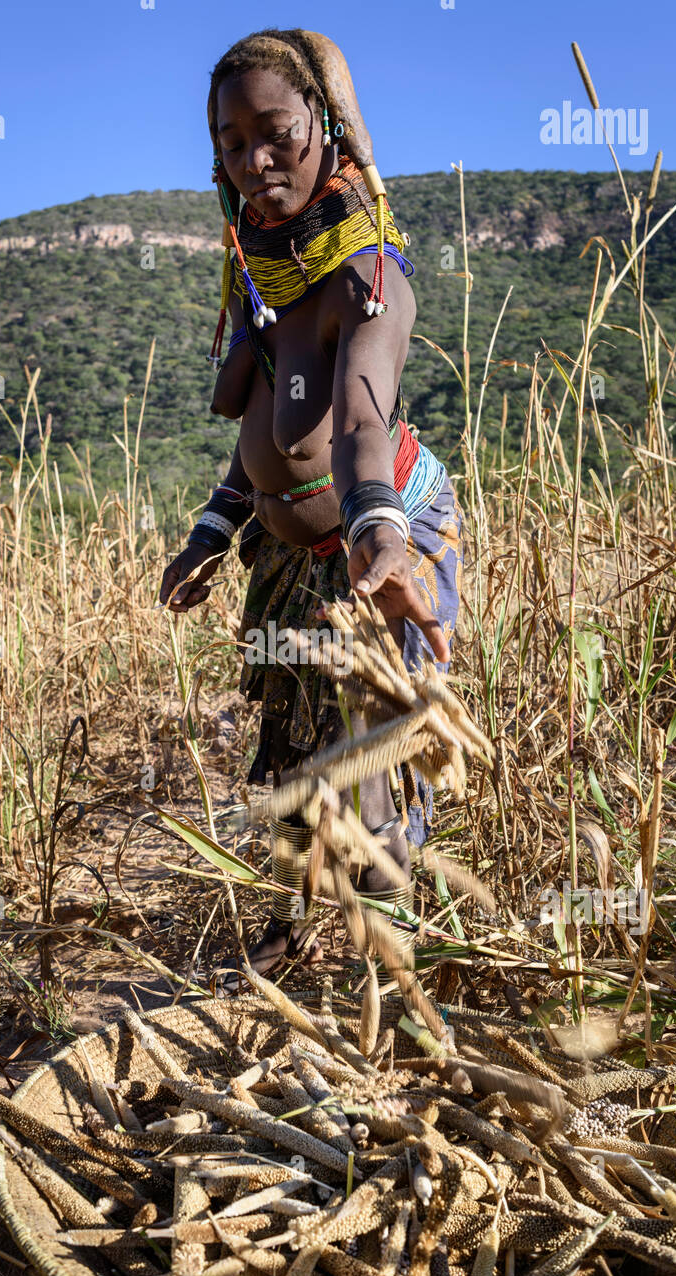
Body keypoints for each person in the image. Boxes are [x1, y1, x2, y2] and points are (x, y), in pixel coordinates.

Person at [159, 28, 464, 979]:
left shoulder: (366, 280)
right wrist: (215, 529)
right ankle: (297, 919)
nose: (252, 159)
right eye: (229, 142)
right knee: (292, 756)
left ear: (324, 128)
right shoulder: (269, 283)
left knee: (371, 764)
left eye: (275, 131)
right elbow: (258, 440)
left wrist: (379, 539)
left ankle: (396, 977)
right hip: (290, 555)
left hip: (377, 543)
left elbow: (363, 427)